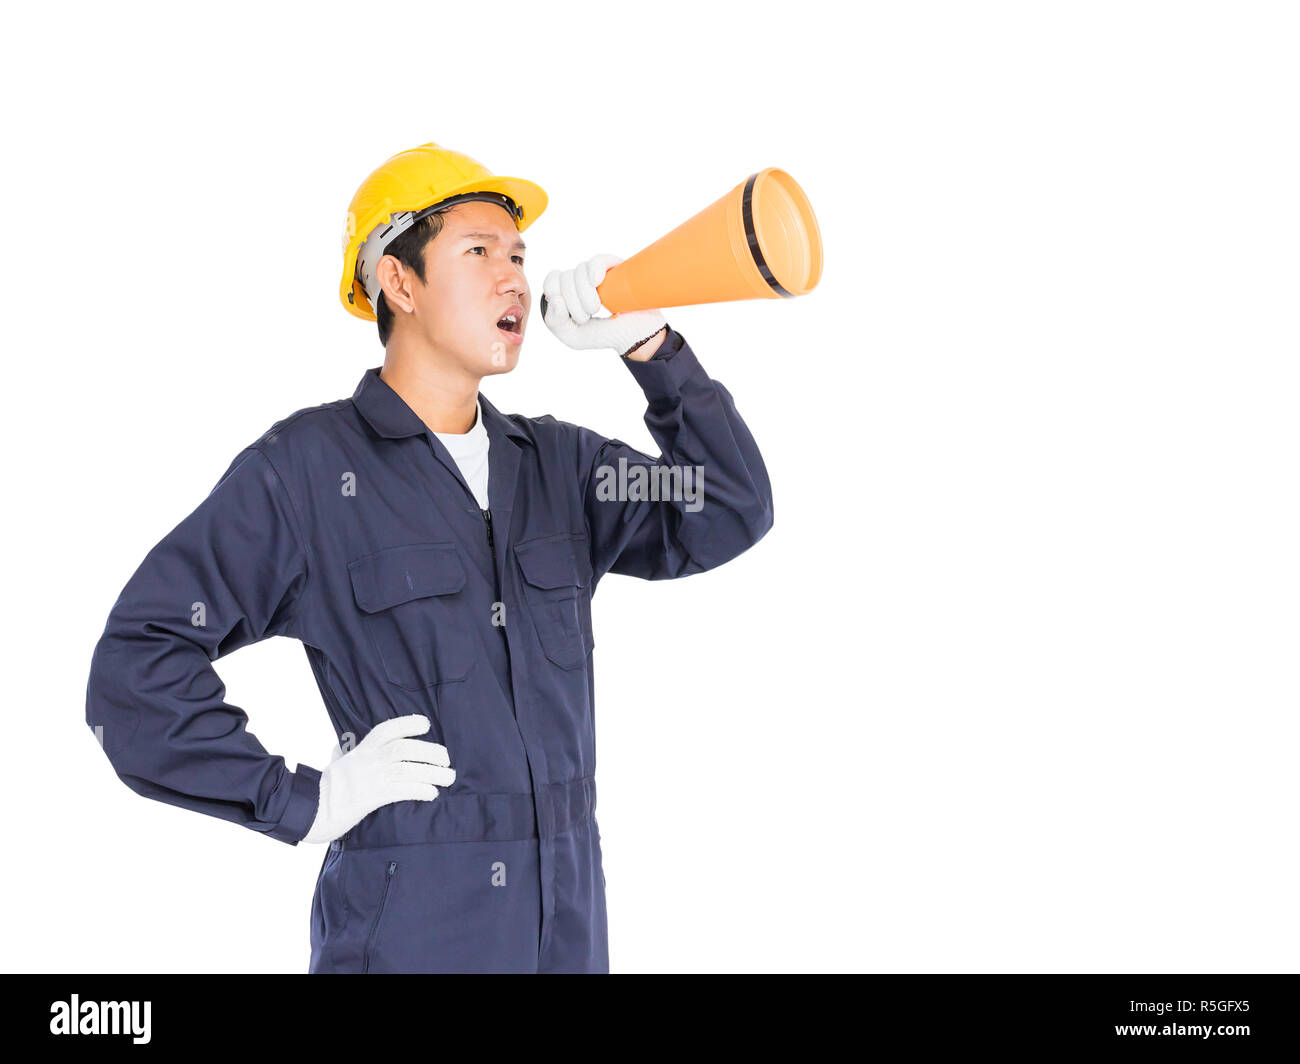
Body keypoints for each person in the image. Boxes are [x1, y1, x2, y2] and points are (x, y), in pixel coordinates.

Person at [84, 142, 773, 973]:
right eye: (478, 251)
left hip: (568, 934)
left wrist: (655, 351)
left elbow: (731, 507)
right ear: (397, 283)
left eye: (519, 254)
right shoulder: (306, 470)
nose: (513, 276)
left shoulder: (562, 468)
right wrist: (303, 802)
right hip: (410, 938)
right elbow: (135, 667)